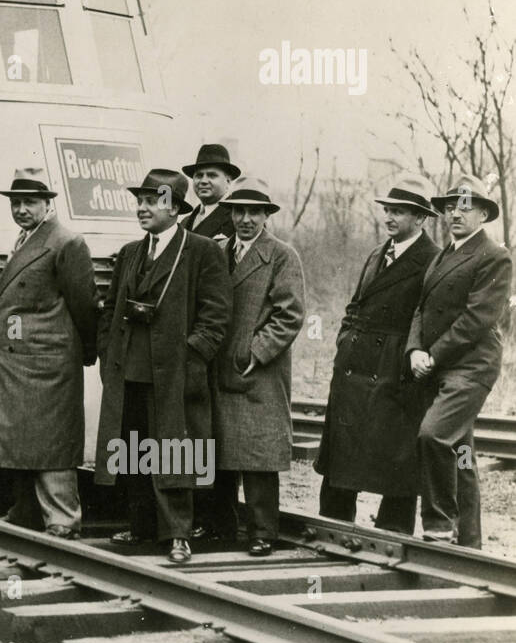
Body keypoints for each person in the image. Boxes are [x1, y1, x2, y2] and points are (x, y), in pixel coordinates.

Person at [94, 168, 230, 564]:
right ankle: (141, 527)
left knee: (174, 449)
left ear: (175, 208)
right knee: (133, 446)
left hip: (175, 372)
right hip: (130, 368)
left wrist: (191, 357)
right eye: (140, 200)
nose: (143, 208)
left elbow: (217, 316)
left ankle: (178, 535)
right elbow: (111, 310)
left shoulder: (202, 250)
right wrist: (107, 354)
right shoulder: (131, 253)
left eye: (153, 200)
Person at [0, 168, 97, 537]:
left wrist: (86, 351)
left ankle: (63, 521)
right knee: (22, 438)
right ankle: (27, 513)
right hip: (23, 360)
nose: (21, 209)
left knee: (52, 441)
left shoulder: (66, 242)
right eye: (15, 202)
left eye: (29, 202)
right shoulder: (28, 239)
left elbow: (84, 305)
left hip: (49, 361)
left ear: (47, 204)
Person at [315, 174, 440, 534]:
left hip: (395, 370)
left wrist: (407, 357)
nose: (389, 217)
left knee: (398, 460)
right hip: (354, 365)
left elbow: (430, 319)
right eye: (388, 210)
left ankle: (395, 538)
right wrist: (344, 339)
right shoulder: (377, 253)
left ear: (420, 218)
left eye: (399, 212)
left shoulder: (431, 259)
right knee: (343, 453)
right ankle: (333, 531)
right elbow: (355, 305)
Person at [408, 175, 512, 548]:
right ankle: (470, 541)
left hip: (471, 367)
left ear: (483, 213)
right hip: (441, 364)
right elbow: (421, 309)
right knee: (462, 453)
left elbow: (476, 320)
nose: (455, 212)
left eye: (465, 206)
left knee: (433, 434)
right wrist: (414, 349)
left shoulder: (494, 256)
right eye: (451, 206)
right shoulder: (441, 255)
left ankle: (439, 524)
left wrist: (432, 356)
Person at [210, 177, 306, 556]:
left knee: (258, 452)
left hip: (258, 372)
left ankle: (263, 531)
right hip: (219, 366)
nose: (245, 219)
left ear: (267, 215)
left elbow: (291, 314)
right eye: (238, 211)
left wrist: (255, 352)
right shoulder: (218, 252)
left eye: (253, 212)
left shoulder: (283, 256)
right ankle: (221, 526)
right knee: (220, 449)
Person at [181, 143, 240, 241]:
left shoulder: (238, 218)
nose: (203, 181)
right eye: (199, 175)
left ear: (228, 181)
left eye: (212, 175)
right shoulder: (185, 222)